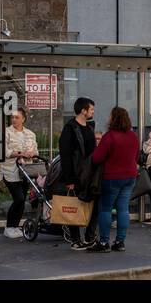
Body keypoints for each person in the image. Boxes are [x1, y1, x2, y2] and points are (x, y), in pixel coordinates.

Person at [85, 107, 139, 252]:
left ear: (114, 118)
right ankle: (120, 242)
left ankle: (103, 243)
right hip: (130, 177)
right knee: (123, 209)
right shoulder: (133, 136)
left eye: (110, 116)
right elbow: (136, 157)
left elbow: (97, 158)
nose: (108, 118)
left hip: (112, 178)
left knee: (105, 210)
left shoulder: (110, 136)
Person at [57, 97, 98, 248]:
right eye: (91, 109)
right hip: (76, 173)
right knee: (74, 204)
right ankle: (76, 240)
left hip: (89, 173)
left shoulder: (89, 127)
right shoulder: (70, 128)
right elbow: (65, 155)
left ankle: (89, 236)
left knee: (95, 203)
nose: (93, 112)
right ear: (83, 110)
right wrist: (69, 180)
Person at [1, 107, 39, 239]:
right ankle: (9, 226)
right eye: (12, 117)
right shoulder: (6, 132)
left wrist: (32, 154)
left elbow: (36, 151)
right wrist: (20, 153)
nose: (14, 119)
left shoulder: (30, 134)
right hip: (10, 170)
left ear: (23, 119)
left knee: (22, 201)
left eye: (17, 117)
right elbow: (4, 152)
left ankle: (15, 227)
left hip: (25, 171)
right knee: (19, 198)